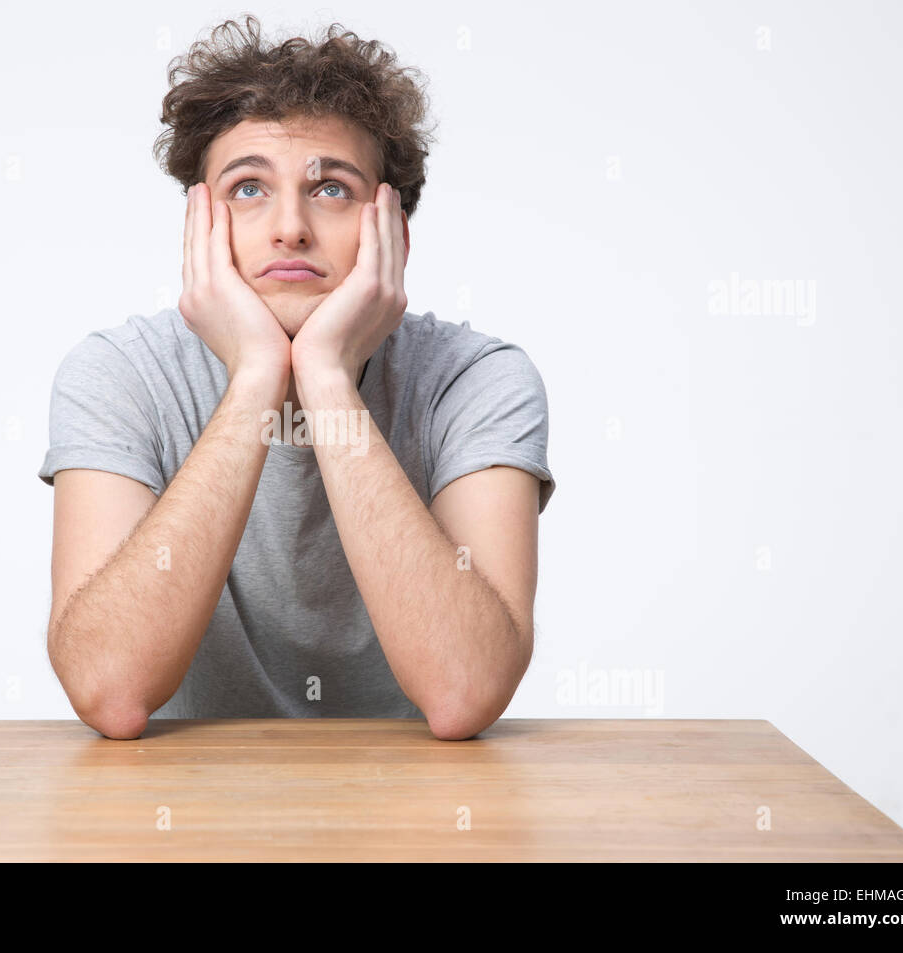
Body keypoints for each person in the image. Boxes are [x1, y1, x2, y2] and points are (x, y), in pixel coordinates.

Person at [38, 16, 555, 740]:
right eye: (248, 189)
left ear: (394, 234)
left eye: (333, 191)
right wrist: (255, 378)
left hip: (418, 820)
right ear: (197, 225)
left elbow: (463, 691)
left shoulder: (477, 382)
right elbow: (110, 690)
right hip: (179, 818)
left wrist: (326, 378)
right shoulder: (117, 376)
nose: (290, 228)